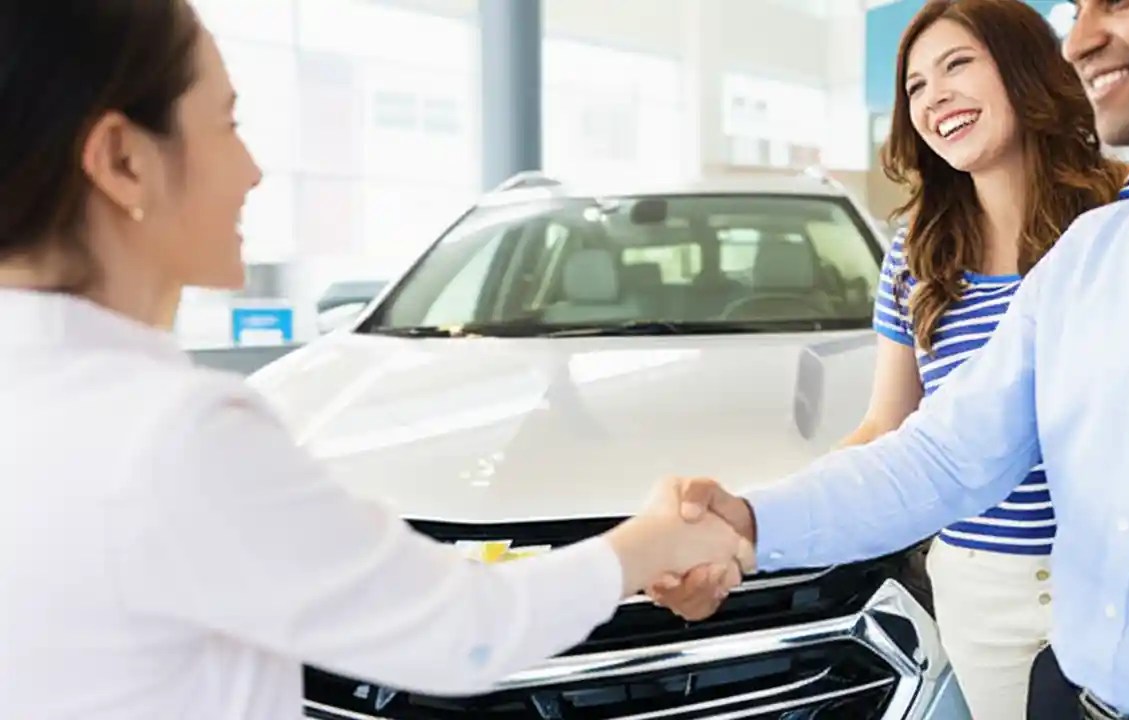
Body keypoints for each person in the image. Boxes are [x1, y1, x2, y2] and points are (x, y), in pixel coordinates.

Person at [0, 3, 749, 718]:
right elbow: (463, 630)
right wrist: (652, 540)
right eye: (228, 123)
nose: (253, 170)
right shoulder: (173, 433)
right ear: (124, 161)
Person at [650, 0, 1129, 717]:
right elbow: (942, 454)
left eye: (1118, 1)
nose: (1079, 41)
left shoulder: (1099, 221)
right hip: (1065, 683)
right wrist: (747, 524)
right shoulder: (1092, 255)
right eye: (1075, 12)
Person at [828, 2, 1129, 717]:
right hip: (980, 590)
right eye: (915, 86)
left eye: (958, 64)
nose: (934, 96)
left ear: (1026, 68)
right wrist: (771, 513)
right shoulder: (916, 250)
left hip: (1121, 578)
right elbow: (888, 424)